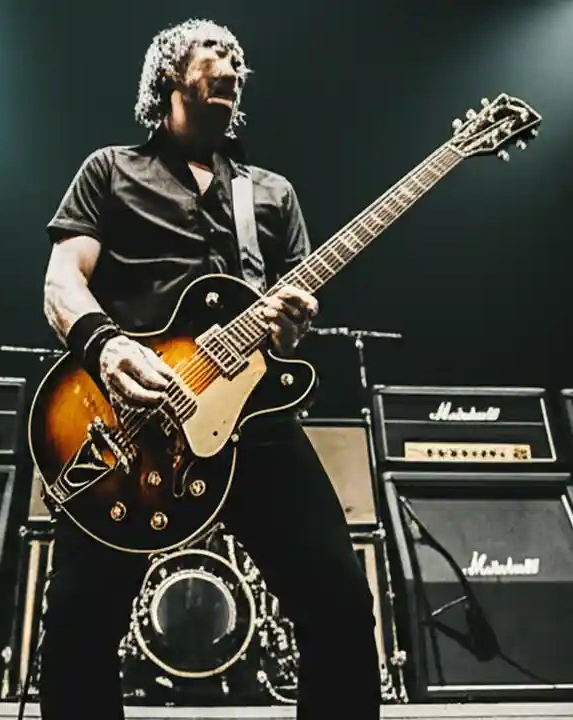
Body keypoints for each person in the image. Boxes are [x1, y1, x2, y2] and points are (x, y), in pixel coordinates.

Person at [37, 18, 381, 720]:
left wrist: (291, 328)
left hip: (253, 427)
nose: (233, 59)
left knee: (340, 604)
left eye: (239, 54)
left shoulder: (273, 195)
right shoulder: (109, 170)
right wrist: (108, 347)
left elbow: (287, 329)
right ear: (169, 73)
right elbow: (59, 283)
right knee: (79, 617)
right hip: (128, 424)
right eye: (215, 49)